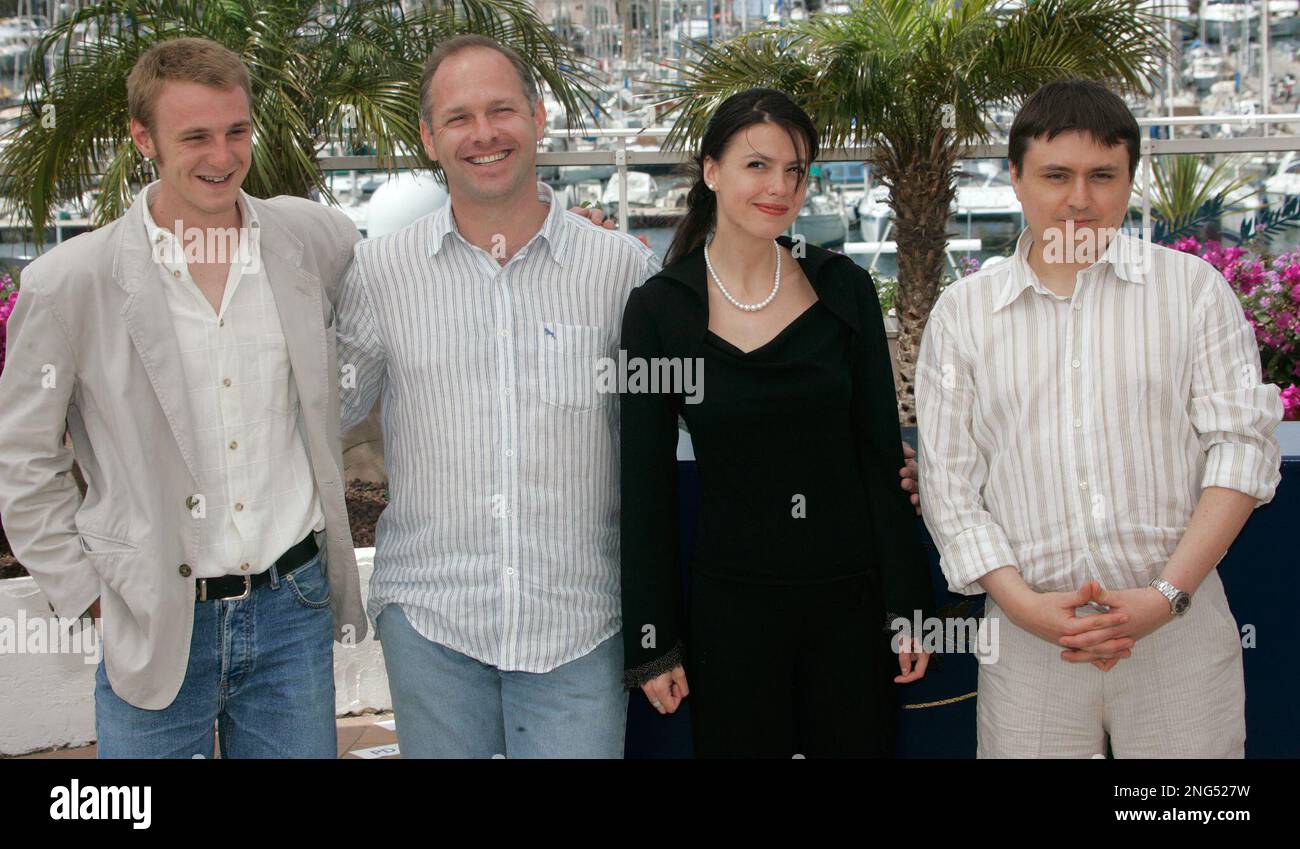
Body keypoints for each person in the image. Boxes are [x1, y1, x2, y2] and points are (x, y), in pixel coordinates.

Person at [0, 38, 367, 758]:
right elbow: (23, 464)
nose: (222, 155)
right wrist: (93, 598)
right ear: (143, 137)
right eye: (195, 135)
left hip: (292, 610)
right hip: (155, 620)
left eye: (236, 131)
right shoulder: (71, 282)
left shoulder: (313, 239)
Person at [915, 79, 1283, 758]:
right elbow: (951, 486)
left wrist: (1164, 594)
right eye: (1057, 175)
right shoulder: (963, 315)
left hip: (1180, 630)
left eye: (1102, 176)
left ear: (1130, 180)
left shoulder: (1195, 294)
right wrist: (1026, 607)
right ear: (1018, 180)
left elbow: (1242, 452)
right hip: (1029, 644)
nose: (1080, 198)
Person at [334, 35, 660, 758]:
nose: (484, 134)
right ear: (428, 136)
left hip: (580, 621)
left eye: (502, 110)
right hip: (431, 619)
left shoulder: (621, 270)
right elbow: (320, 409)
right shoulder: (379, 272)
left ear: (538, 119)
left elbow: (683, 429)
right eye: (458, 117)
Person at [619, 88, 933, 758]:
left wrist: (908, 608)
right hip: (729, 611)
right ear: (711, 171)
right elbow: (642, 487)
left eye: (795, 170)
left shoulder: (843, 289)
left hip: (850, 604)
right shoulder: (660, 310)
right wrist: (652, 642)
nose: (780, 186)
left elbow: (879, 458)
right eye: (757, 165)